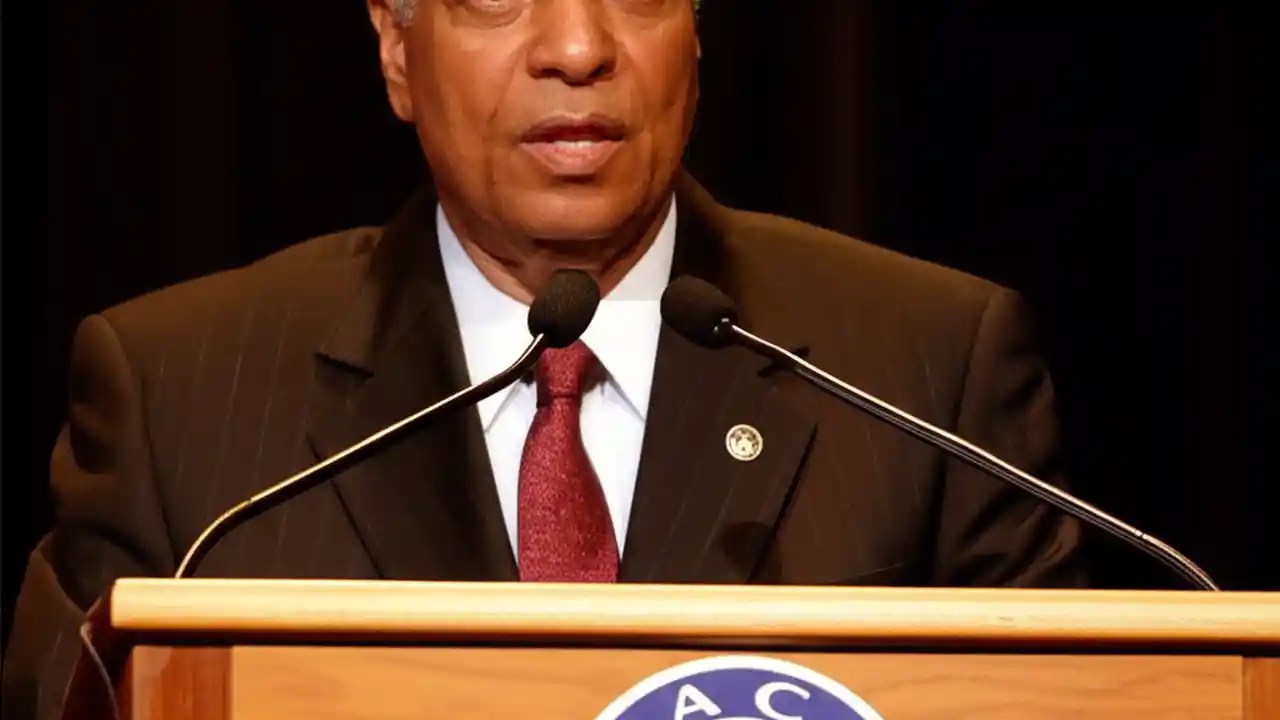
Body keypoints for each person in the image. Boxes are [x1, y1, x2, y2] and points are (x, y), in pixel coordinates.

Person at [3, 1, 1085, 717]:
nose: (576, 48)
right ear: (396, 50)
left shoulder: (926, 365)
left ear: (696, 38)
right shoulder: (177, 395)